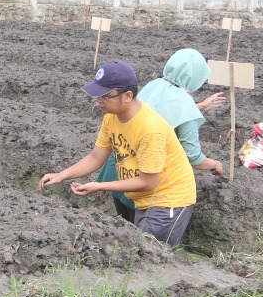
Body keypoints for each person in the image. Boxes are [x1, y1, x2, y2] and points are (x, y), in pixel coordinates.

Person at [38, 59, 198, 247]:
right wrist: (61, 175)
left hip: (168, 200)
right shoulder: (111, 118)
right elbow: (96, 157)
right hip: (143, 199)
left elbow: (148, 181)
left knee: (149, 256)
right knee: (137, 253)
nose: (99, 100)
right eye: (98, 95)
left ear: (127, 96)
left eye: (105, 96)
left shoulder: (150, 129)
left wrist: (99, 186)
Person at [91, 48, 226, 222]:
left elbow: (159, 111)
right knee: (142, 237)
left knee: (123, 227)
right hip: (141, 177)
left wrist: (198, 107)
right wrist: (215, 164)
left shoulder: (153, 85)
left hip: (118, 168)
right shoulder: (185, 106)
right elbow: (192, 156)